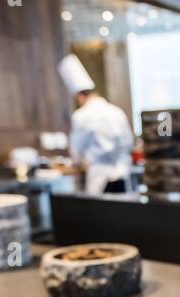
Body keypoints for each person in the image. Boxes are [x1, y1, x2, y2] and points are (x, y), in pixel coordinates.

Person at [57, 53, 135, 195]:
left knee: (102, 214)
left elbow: (76, 150)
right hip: (122, 174)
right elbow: (128, 142)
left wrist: (77, 161)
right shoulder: (116, 111)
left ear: (79, 96)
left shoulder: (81, 116)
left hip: (99, 176)